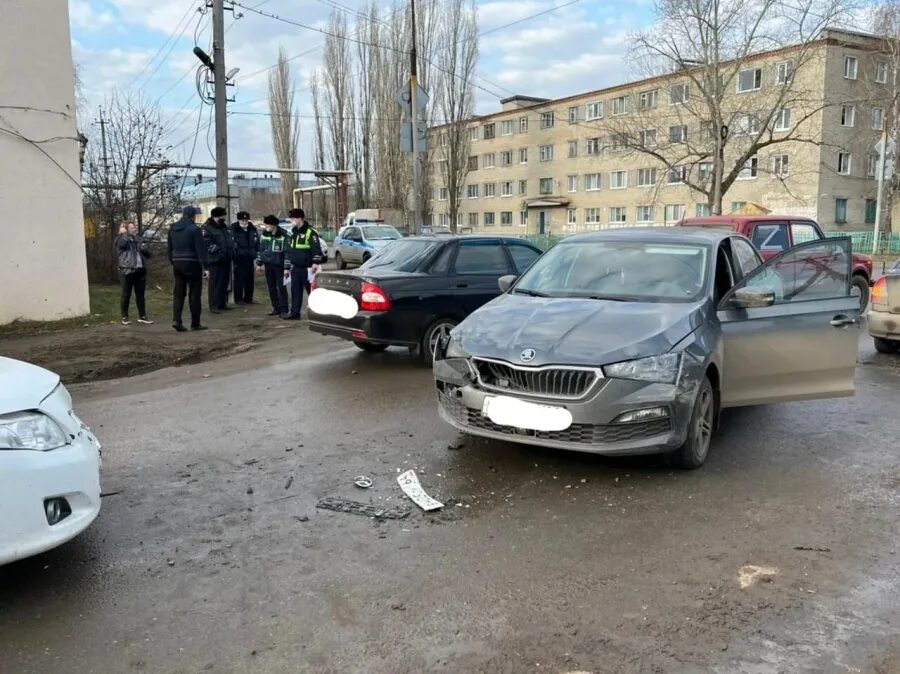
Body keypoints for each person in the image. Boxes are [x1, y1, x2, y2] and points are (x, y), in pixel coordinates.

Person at [167, 205, 209, 332]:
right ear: (193, 215)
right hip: (192, 263)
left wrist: (173, 261)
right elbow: (200, 249)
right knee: (194, 293)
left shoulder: (173, 228)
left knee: (178, 294)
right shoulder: (194, 229)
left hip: (177, 263)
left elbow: (169, 248)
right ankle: (195, 323)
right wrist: (205, 267)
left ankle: (176, 320)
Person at [284, 208, 323, 320]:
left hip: (308, 268)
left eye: (293, 218)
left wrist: (315, 263)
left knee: (312, 292)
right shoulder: (293, 232)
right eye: (291, 218)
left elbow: (316, 249)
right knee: (295, 291)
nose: (292, 220)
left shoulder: (311, 232)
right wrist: (286, 268)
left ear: (300, 218)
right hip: (296, 268)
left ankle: (318, 314)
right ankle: (295, 313)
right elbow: (289, 251)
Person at [115, 221, 152, 325]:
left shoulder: (138, 239)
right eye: (131, 228)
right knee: (126, 294)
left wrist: (145, 249)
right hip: (127, 270)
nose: (134, 229)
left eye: (134, 227)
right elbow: (121, 246)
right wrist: (124, 234)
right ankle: (124, 316)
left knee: (140, 294)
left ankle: (142, 316)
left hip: (140, 270)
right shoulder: (120, 239)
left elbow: (148, 254)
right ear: (126, 229)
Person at [202, 206, 235, 313]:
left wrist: (231, 250)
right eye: (222, 216)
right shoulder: (207, 228)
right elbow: (207, 243)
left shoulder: (223, 227)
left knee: (224, 283)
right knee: (215, 284)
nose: (223, 218)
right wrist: (219, 252)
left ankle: (222, 303)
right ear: (216, 216)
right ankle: (214, 305)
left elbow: (228, 240)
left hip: (225, 259)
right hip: (215, 260)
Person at [256, 215, 290, 317]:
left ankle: (284, 309)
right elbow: (261, 249)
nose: (265, 226)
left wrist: (286, 268)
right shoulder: (264, 235)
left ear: (273, 225)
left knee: (281, 287)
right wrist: (259, 263)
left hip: (279, 265)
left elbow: (287, 253)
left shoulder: (284, 235)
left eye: (267, 224)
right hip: (268, 265)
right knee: (271, 287)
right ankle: (276, 307)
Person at [231, 211, 259, 305]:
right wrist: (236, 254)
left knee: (249, 279)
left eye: (246, 220)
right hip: (239, 258)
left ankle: (248, 298)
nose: (244, 222)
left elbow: (256, 242)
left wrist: (256, 253)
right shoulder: (234, 229)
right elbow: (232, 244)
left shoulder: (252, 229)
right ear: (239, 220)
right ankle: (238, 299)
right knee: (239, 279)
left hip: (250, 257)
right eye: (242, 220)